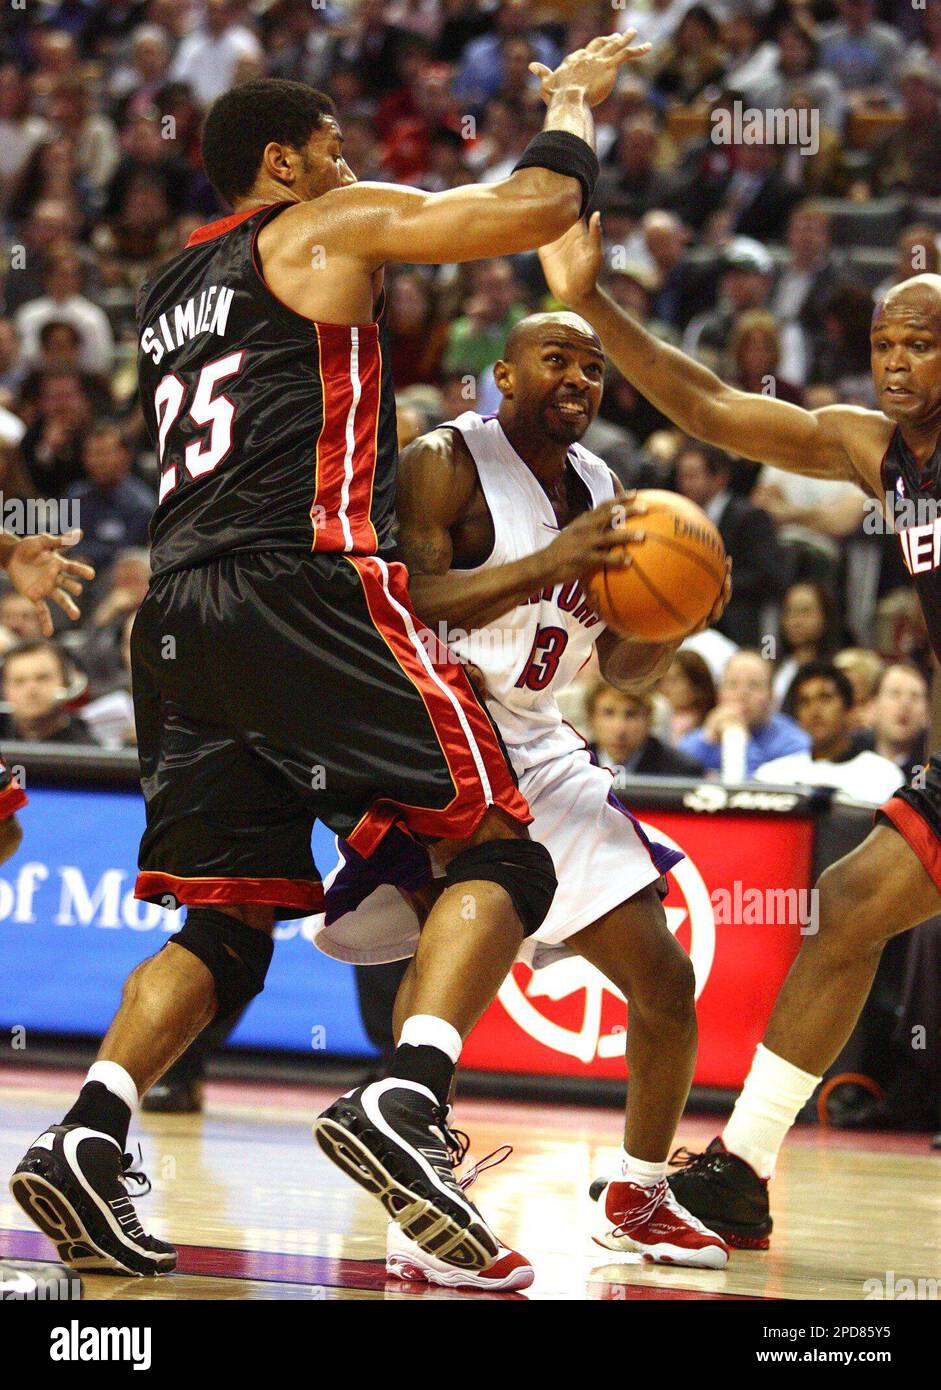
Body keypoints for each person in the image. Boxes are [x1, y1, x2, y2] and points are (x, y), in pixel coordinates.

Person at [9, 38, 651, 1281]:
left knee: (229, 921)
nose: (351, 164)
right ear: (282, 160)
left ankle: (92, 1127)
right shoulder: (312, 226)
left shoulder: (162, 288)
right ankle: (405, 1100)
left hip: (177, 609)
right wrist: (569, 106)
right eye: (334, 148)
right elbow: (532, 207)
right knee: (499, 843)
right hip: (301, 581)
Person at [537, 212, 941, 1249]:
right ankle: (741, 1174)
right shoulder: (875, 447)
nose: (896, 362)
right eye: (884, 345)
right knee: (847, 906)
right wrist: (590, 301)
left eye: (921, 344)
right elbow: (711, 406)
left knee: (848, 905)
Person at [311, 309, 731, 1290]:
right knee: (447, 962)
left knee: (663, 981)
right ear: (501, 372)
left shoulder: (606, 490)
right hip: (437, 724)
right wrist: (555, 558)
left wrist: (683, 608)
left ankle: (634, 1193)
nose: (578, 377)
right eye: (556, 358)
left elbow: (622, 670)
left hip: (541, 740)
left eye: (591, 365)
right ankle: (420, 1212)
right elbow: (415, 597)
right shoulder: (444, 459)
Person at [673, 438, 778, 646]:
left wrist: (713, 584)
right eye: (682, 476)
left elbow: (767, 576)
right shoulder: (676, 518)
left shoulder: (751, 518)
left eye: (693, 476)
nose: (685, 484)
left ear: (720, 478)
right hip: (688, 619)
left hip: (736, 619)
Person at [754, 661, 904, 804]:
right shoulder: (772, 777)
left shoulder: (883, 775)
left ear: (849, 708)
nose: (815, 710)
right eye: (804, 701)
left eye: (825, 698)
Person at [677, 648, 810, 777]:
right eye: (733, 684)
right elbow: (677, 776)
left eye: (754, 685)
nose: (742, 694)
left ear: (771, 696)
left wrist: (737, 735)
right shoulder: (702, 736)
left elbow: (754, 792)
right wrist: (707, 739)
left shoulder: (793, 744)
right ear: (719, 694)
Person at [588, 679, 705, 779]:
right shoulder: (574, 764)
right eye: (608, 713)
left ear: (649, 720)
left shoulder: (681, 772)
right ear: (591, 719)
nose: (619, 729)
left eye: (631, 714)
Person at [0, 639, 95, 745]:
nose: (31, 690)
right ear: (5, 690)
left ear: (65, 683)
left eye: (42, 678)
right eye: (19, 681)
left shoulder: (87, 753)